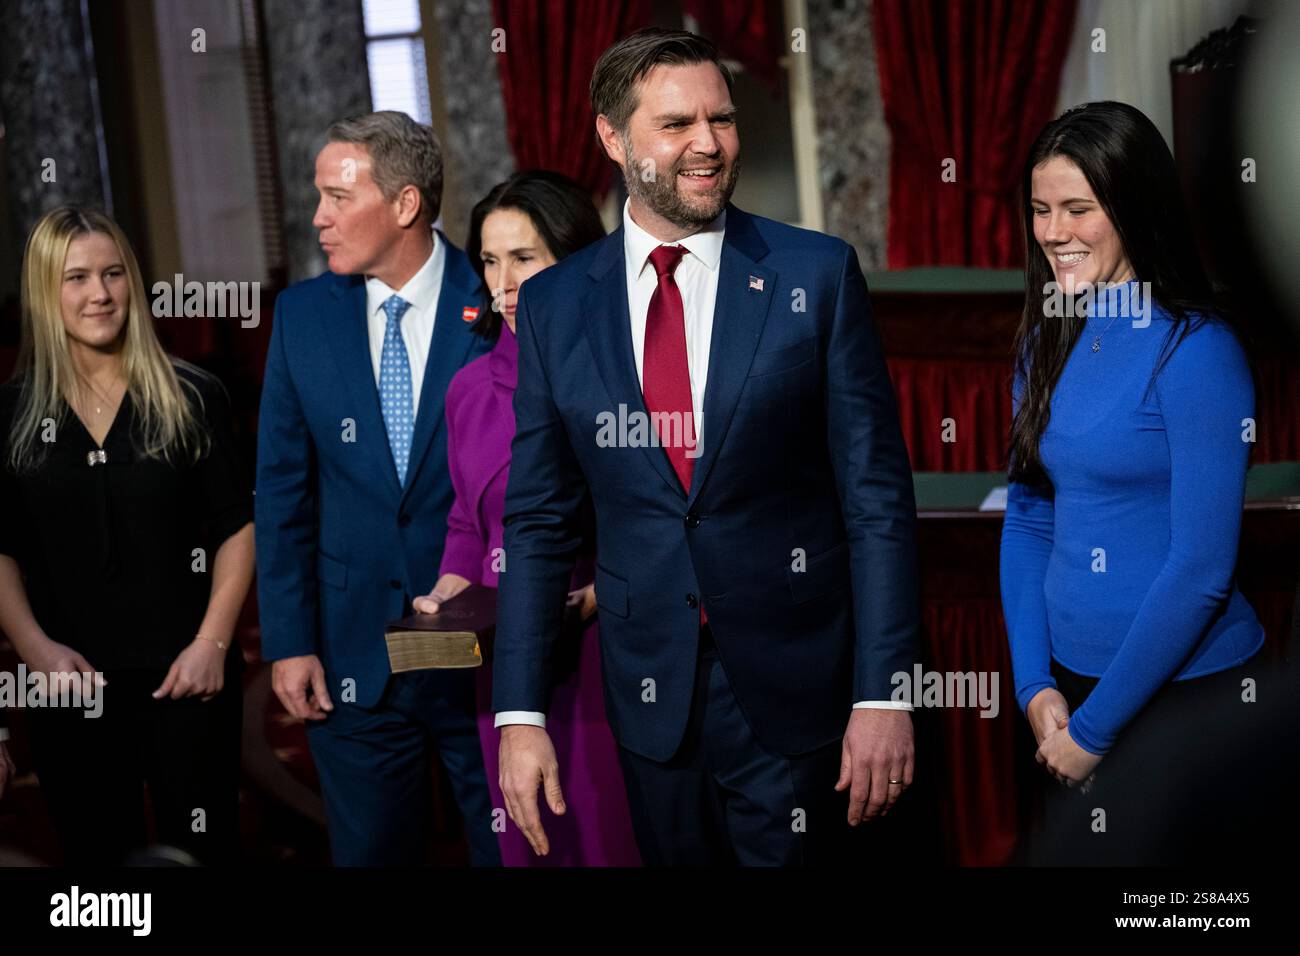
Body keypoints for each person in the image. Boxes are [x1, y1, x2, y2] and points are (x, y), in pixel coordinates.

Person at [492, 29, 921, 866]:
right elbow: (539, 521)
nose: (708, 144)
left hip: (799, 694)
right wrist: (521, 714)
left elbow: (878, 502)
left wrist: (884, 691)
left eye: (721, 120)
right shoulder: (552, 306)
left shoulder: (816, 274)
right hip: (650, 694)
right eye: (677, 123)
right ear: (612, 139)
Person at [1000, 102, 1266, 853]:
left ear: (1134, 206)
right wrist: (1034, 690)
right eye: (1041, 210)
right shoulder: (1043, 340)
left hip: (1183, 699)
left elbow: (1202, 569)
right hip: (1067, 694)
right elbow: (1027, 521)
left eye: (1079, 209)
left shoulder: (1198, 350)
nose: (1055, 232)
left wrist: (1093, 729)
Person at [255, 111, 499, 866]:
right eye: (318, 196)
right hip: (350, 657)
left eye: (337, 197)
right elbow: (282, 493)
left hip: (482, 654)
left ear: (403, 205)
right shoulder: (301, 316)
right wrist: (290, 643)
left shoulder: (496, 300)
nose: (319, 218)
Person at [0, 205, 253, 865]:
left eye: (114, 274)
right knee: (98, 871)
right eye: (77, 277)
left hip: (187, 679)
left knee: (203, 854)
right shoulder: (12, 414)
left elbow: (236, 527)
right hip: (68, 684)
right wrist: (34, 649)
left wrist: (212, 644)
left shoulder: (193, 395)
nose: (101, 294)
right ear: (45, 292)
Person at [414, 170, 641, 865]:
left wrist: (599, 596)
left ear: (573, 261)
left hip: (611, 654)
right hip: (507, 664)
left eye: (525, 258)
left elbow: (662, 523)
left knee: (610, 840)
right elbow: (465, 518)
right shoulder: (468, 387)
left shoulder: (626, 377)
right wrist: (451, 585)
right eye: (489, 260)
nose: (504, 284)